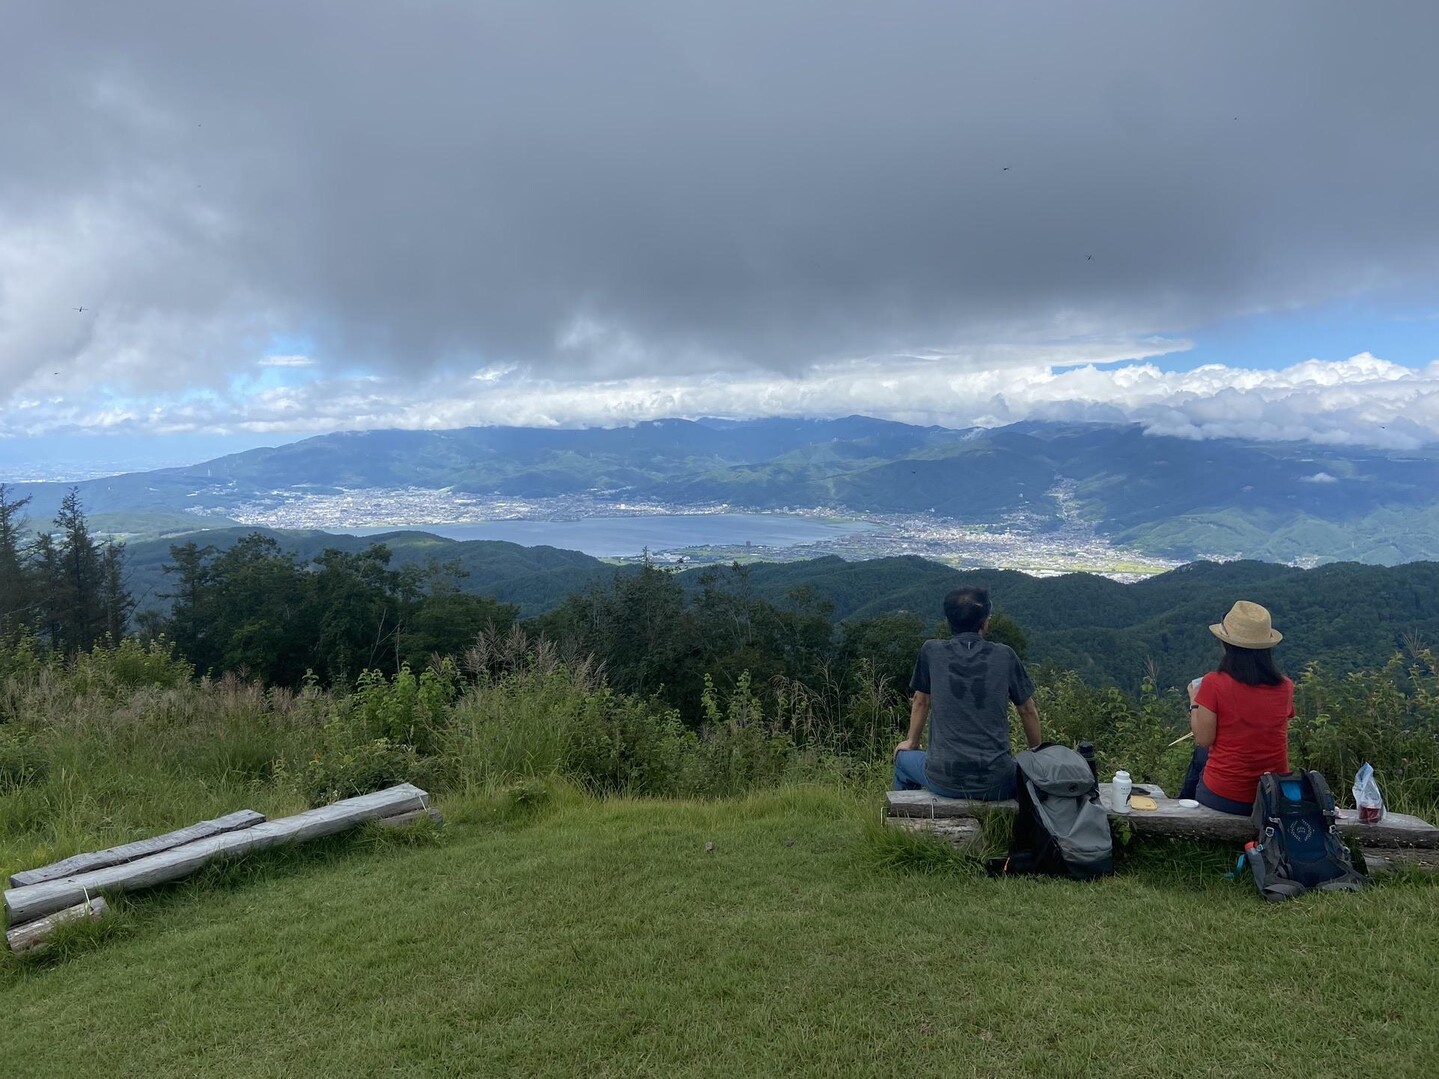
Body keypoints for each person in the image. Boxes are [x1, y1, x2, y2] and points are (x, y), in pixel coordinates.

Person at [893, 587, 1042, 800]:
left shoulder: (931, 651)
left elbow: (921, 701)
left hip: (942, 779)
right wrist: (1037, 753)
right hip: (997, 782)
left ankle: (906, 822)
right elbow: (1027, 710)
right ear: (984, 622)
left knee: (902, 761)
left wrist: (912, 742)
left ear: (949, 621)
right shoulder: (1005, 655)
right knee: (1024, 771)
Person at [1177, 600, 1293, 814]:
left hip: (1225, 796)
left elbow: (1203, 738)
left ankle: (1182, 813)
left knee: (1201, 754)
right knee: (1202, 756)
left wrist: (1195, 700)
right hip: (1271, 795)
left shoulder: (1214, 683)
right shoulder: (1285, 686)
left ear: (1226, 644)